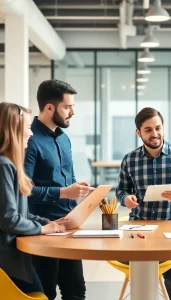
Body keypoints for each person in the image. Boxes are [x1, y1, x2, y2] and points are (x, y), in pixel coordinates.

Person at [116, 107, 171, 300]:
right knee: (140, 270)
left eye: (158, 128)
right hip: (140, 227)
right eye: (148, 130)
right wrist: (126, 198)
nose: (155, 134)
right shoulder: (129, 160)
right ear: (138, 132)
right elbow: (120, 190)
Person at [24, 80, 93, 300]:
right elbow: (24, 190)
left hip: (68, 226)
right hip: (43, 228)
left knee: (76, 292)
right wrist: (63, 193)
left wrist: (77, 194)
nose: (72, 112)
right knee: (46, 293)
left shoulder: (64, 139)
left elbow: (68, 177)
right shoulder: (29, 140)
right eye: (67, 106)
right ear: (49, 107)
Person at [0, 102, 66, 295]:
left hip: (15, 259)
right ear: (13, 129)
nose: (31, 133)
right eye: (27, 128)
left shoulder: (9, 165)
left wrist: (48, 222)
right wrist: (44, 228)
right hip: (8, 262)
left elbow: (21, 213)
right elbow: (8, 219)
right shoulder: (4, 166)